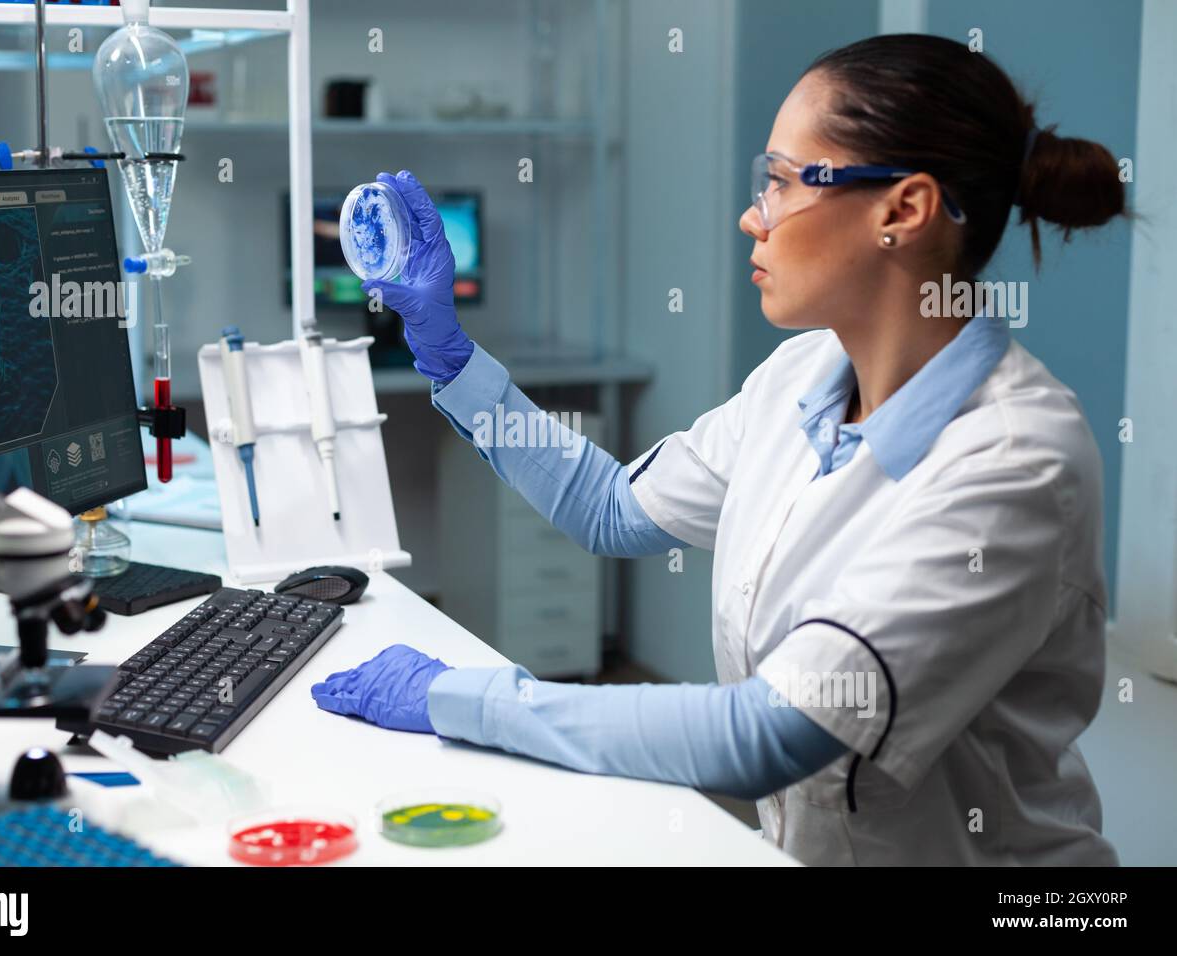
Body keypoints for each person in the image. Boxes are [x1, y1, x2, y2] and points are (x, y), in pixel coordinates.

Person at [312, 34, 1126, 866]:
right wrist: (448, 352)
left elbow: (773, 730)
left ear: (902, 210)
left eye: (779, 181)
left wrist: (458, 698)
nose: (753, 215)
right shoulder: (804, 374)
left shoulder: (1015, 461)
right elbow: (613, 507)